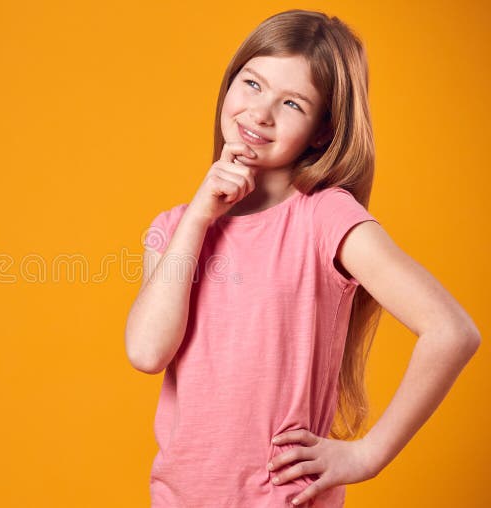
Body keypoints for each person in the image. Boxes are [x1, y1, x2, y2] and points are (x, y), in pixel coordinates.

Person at [124, 9, 481, 508]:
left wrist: (366, 456)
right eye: (251, 84)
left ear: (320, 130)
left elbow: (452, 331)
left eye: (291, 102)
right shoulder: (174, 228)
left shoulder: (324, 217)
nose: (260, 112)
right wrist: (199, 216)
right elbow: (146, 352)